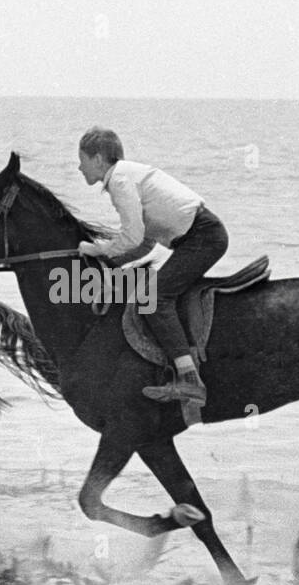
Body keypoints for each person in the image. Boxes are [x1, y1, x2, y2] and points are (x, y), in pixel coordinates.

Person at [76, 127, 229, 408]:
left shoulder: (121, 180)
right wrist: (108, 264)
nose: (79, 166)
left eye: (82, 159)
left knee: (155, 299)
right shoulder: (126, 176)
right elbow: (144, 244)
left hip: (203, 237)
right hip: (199, 236)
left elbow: (132, 237)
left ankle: (190, 380)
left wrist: (96, 249)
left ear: (98, 159)